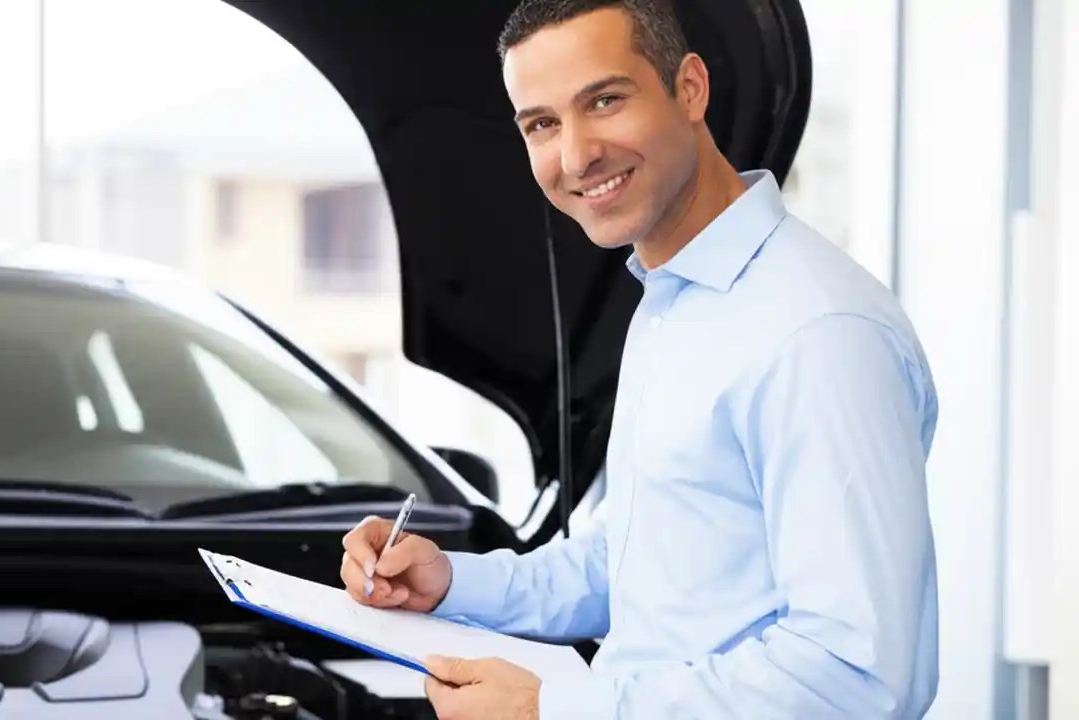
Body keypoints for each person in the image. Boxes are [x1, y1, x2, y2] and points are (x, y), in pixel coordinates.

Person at [340, 1, 940, 718]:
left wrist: (556, 711)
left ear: (690, 88)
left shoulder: (817, 333)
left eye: (604, 100)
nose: (575, 155)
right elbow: (634, 560)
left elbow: (855, 673)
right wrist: (450, 585)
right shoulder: (674, 300)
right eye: (542, 124)